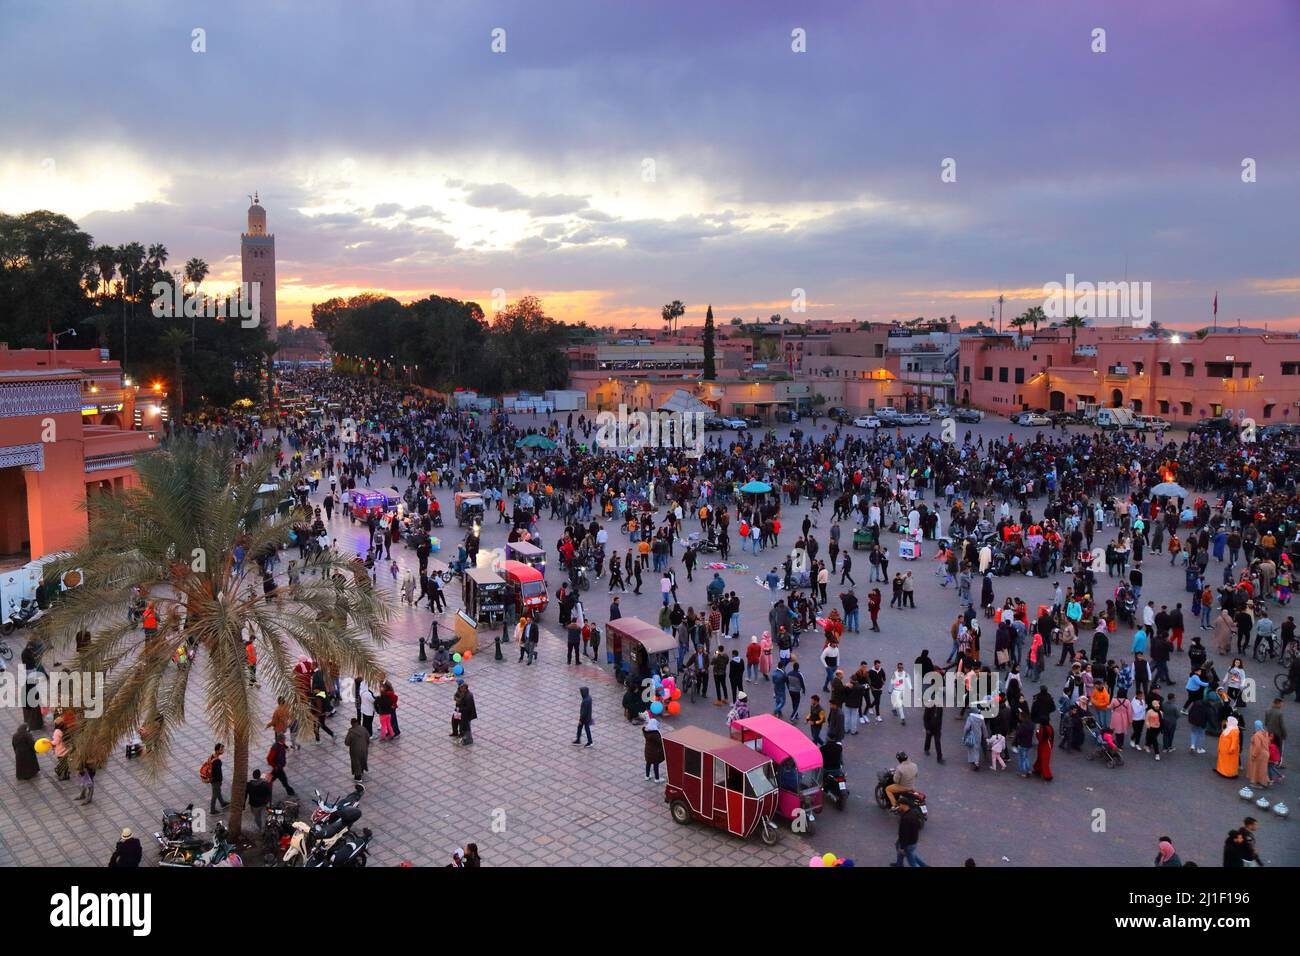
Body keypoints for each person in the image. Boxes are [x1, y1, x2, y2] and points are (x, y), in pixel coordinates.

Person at [891, 796, 927, 867]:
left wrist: (902, 846)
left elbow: (905, 834)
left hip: (908, 843)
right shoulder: (913, 812)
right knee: (910, 854)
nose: (899, 807)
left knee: (912, 862)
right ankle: (899, 864)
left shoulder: (906, 818)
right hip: (913, 840)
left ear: (903, 805)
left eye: (899, 805)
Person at [345, 718, 369, 783]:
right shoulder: (363, 729)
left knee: (356, 762)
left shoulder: (351, 732)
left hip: (355, 750)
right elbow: (368, 737)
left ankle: (358, 778)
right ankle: (362, 771)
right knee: (363, 759)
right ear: (357, 722)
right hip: (364, 749)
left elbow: (347, 743)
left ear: (351, 724)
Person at [1248, 720, 1271, 786]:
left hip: (1260, 754)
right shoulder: (1265, 733)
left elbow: (1257, 746)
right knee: (1262, 769)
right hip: (1265, 753)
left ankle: (1261, 783)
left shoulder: (1257, 735)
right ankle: (1266, 780)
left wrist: (1254, 755)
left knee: (1257, 769)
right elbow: (1268, 743)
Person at [208, 742, 229, 813]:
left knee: (218, 791)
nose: (223, 751)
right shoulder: (216, 761)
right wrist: (220, 780)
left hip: (212, 779)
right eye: (221, 750)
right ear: (217, 751)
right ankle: (212, 810)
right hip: (216, 780)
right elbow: (218, 773)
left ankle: (222, 803)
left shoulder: (212, 756)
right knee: (215, 794)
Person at [643, 716, 665, 781]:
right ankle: (657, 779)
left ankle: (647, 776)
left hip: (648, 751)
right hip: (655, 753)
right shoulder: (654, 734)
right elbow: (661, 742)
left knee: (648, 763)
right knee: (656, 765)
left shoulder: (646, 732)